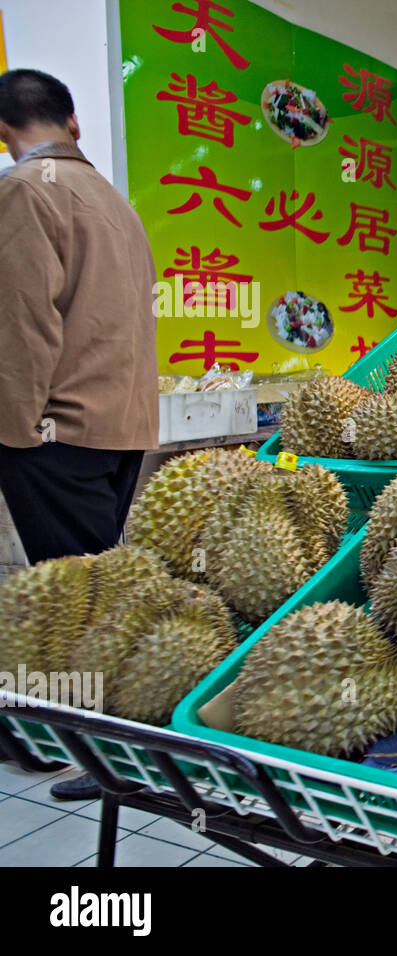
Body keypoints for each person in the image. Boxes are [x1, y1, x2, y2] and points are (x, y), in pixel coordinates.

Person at [0, 69, 159, 801]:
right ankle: (93, 743)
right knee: (97, 588)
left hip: (56, 429)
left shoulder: (25, 192)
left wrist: (14, 431)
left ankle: (94, 752)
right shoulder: (112, 201)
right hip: (120, 424)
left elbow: (22, 327)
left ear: (5, 133)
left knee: (73, 601)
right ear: (73, 123)